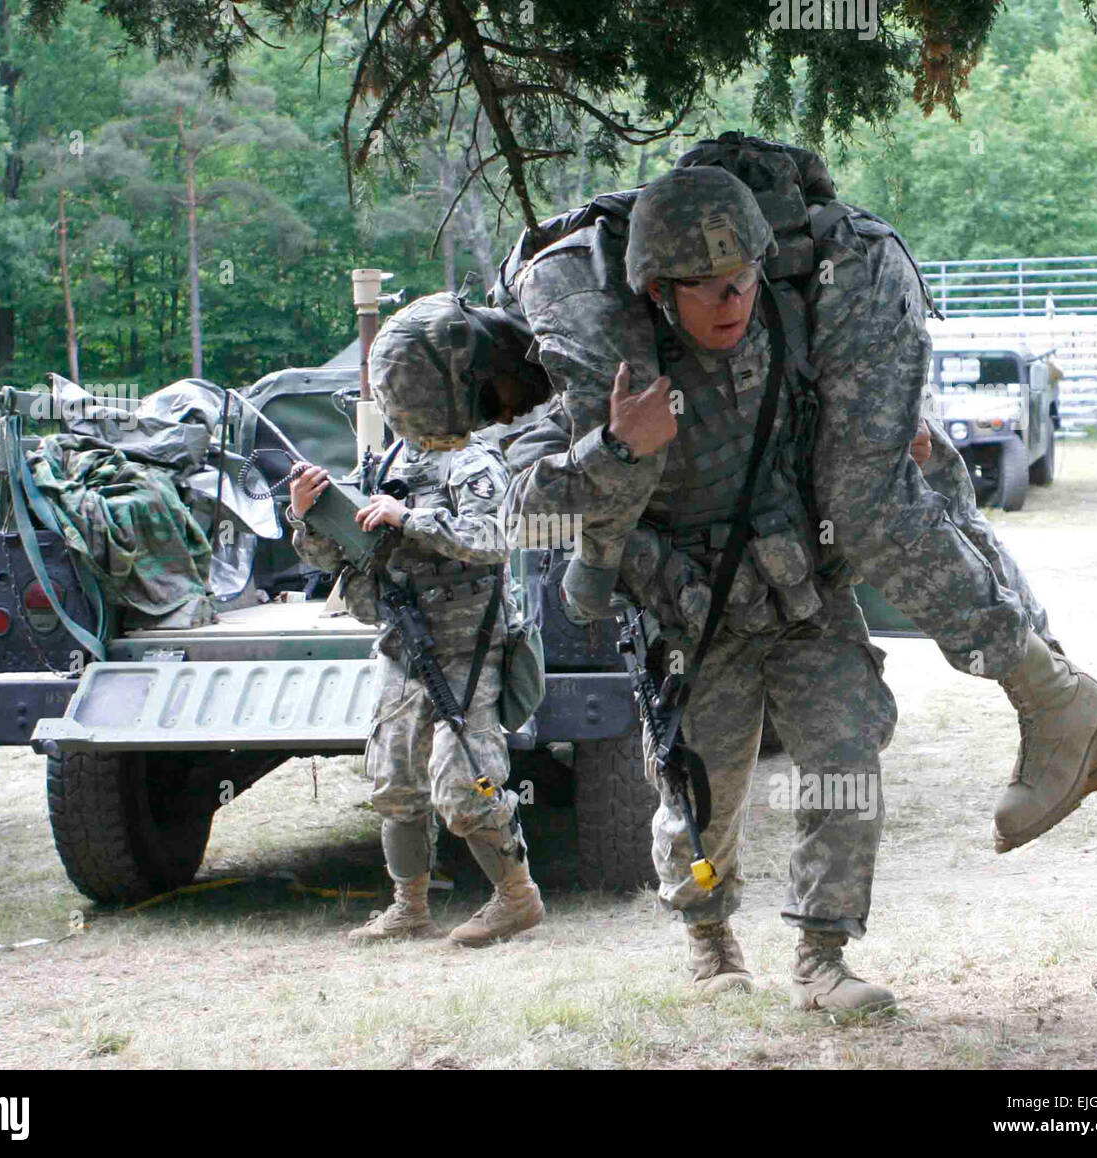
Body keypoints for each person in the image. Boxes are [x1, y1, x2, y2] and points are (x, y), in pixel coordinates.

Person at [502, 167, 905, 1010]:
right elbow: (519, 506)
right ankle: (711, 937)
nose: (731, 303)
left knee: (843, 763)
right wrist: (614, 445)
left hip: (805, 599)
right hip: (697, 621)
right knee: (702, 799)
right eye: (705, 289)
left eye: (743, 280)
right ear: (655, 291)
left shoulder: (798, 340)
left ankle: (823, 956)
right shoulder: (611, 373)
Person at [285, 292, 549, 947]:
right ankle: (410, 906)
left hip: (468, 655)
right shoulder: (387, 460)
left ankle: (516, 896)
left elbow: (492, 539)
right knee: (395, 783)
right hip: (404, 646)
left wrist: (412, 519)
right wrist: (307, 512)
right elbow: (333, 552)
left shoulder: (475, 459)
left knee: (469, 786)